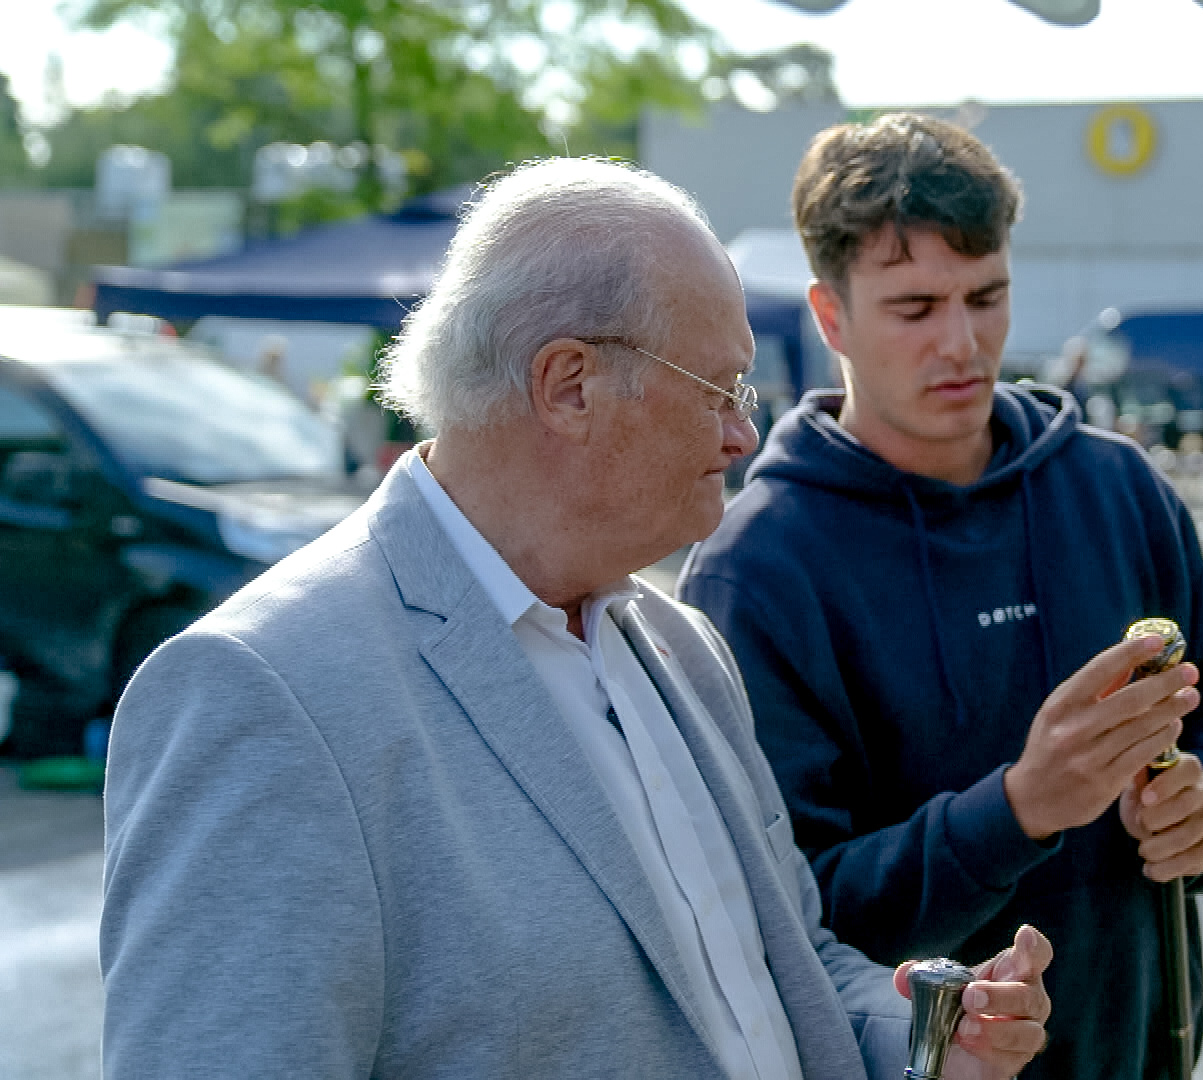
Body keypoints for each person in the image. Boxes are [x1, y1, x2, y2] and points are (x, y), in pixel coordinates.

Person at [99, 158, 1053, 1080]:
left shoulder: (679, 645)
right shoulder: (264, 690)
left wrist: (932, 1036)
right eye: (720, 390)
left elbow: (776, 975)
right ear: (569, 385)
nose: (743, 433)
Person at [678, 113, 1203, 1080]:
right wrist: (1019, 809)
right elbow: (784, 918)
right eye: (915, 307)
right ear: (831, 317)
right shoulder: (756, 569)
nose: (961, 342)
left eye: (987, 296)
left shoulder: (1117, 489)